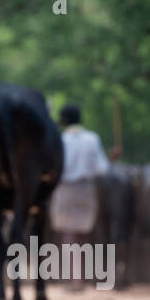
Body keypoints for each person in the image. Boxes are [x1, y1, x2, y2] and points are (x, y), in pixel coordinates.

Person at [51, 104, 112, 289]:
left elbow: (55, 168)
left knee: (68, 235)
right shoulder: (92, 139)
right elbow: (102, 169)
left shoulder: (60, 141)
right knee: (83, 233)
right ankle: (82, 279)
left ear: (63, 120)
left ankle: (74, 280)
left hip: (65, 189)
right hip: (86, 189)